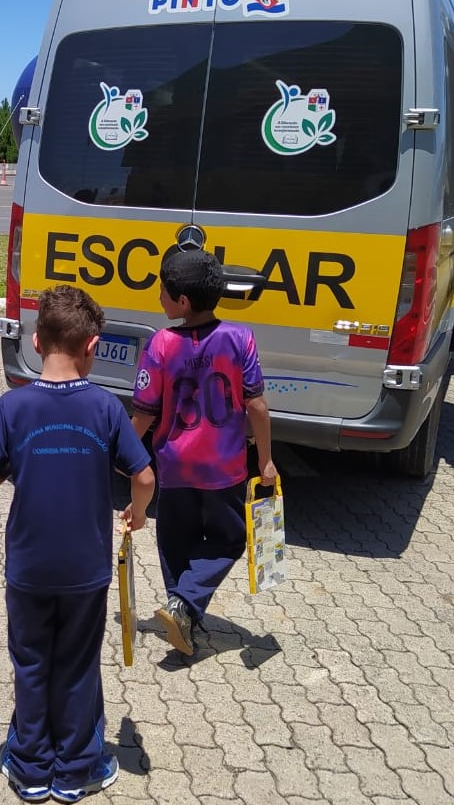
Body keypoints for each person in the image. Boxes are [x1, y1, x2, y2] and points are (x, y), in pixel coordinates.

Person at [0, 285, 155, 802]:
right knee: (76, 665)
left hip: (28, 565)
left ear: (34, 340)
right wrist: (136, 517)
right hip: (86, 567)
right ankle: (74, 770)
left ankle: (30, 768)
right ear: (92, 346)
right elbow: (142, 477)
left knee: (31, 662)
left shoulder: (14, 405)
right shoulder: (105, 407)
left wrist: (23, 471)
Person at [130, 249, 278, 657]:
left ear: (182, 302)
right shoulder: (240, 337)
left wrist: (121, 456)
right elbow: (257, 406)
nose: (159, 298)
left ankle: (182, 609)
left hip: (174, 465)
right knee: (229, 539)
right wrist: (265, 459)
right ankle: (184, 606)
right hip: (224, 467)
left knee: (175, 541)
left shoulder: (161, 343)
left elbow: (143, 412)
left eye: (163, 292)